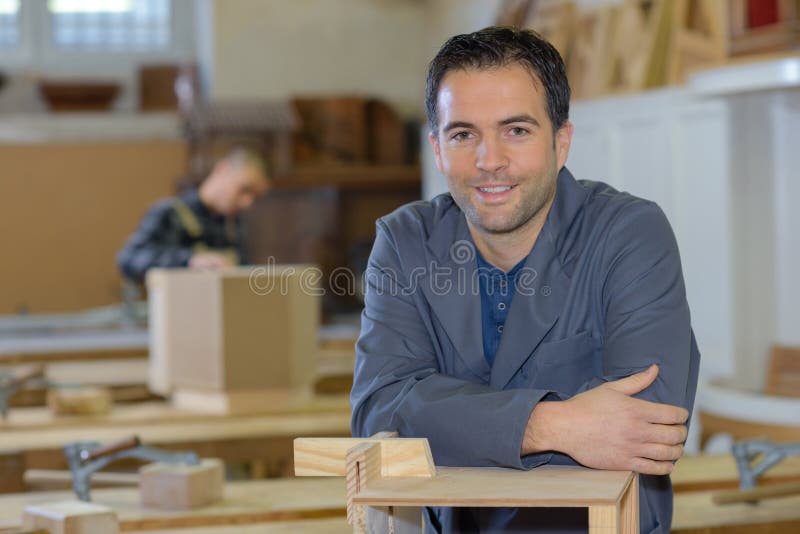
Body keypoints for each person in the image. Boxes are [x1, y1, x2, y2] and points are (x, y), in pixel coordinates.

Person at [350, 26, 699, 533]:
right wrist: (552, 424)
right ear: (438, 149)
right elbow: (379, 414)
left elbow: (644, 431)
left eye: (516, 130)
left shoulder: (629, 234)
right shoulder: (405, 242)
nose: (490, 161)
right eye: (463, 134)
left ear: (561, 143)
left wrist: (450, 423)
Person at [117, 148, 270, 283]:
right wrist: (189, 261)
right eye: (244, 189)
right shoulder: (170, 213)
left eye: (255, 197)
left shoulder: (232, 224)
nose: (247, 202)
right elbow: (129, 259)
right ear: (223, 170)